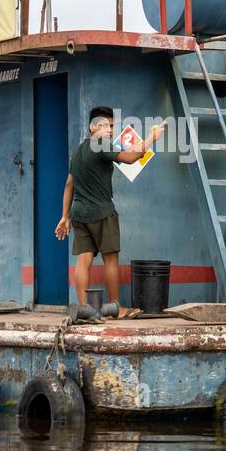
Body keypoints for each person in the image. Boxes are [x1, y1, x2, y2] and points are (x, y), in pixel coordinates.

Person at [55, 106, 164, 317]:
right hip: (102, 212)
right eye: (108, 125)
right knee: (111, 260)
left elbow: (69, 184)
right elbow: (131, 157)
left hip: (79, 214)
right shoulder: (101, 144)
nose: (112, 130)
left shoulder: (79, 150)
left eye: (113, 126)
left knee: (83, 260)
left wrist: (64, 216)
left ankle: (85, 309)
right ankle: (117, 309)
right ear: (94, 127)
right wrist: (152, 137)